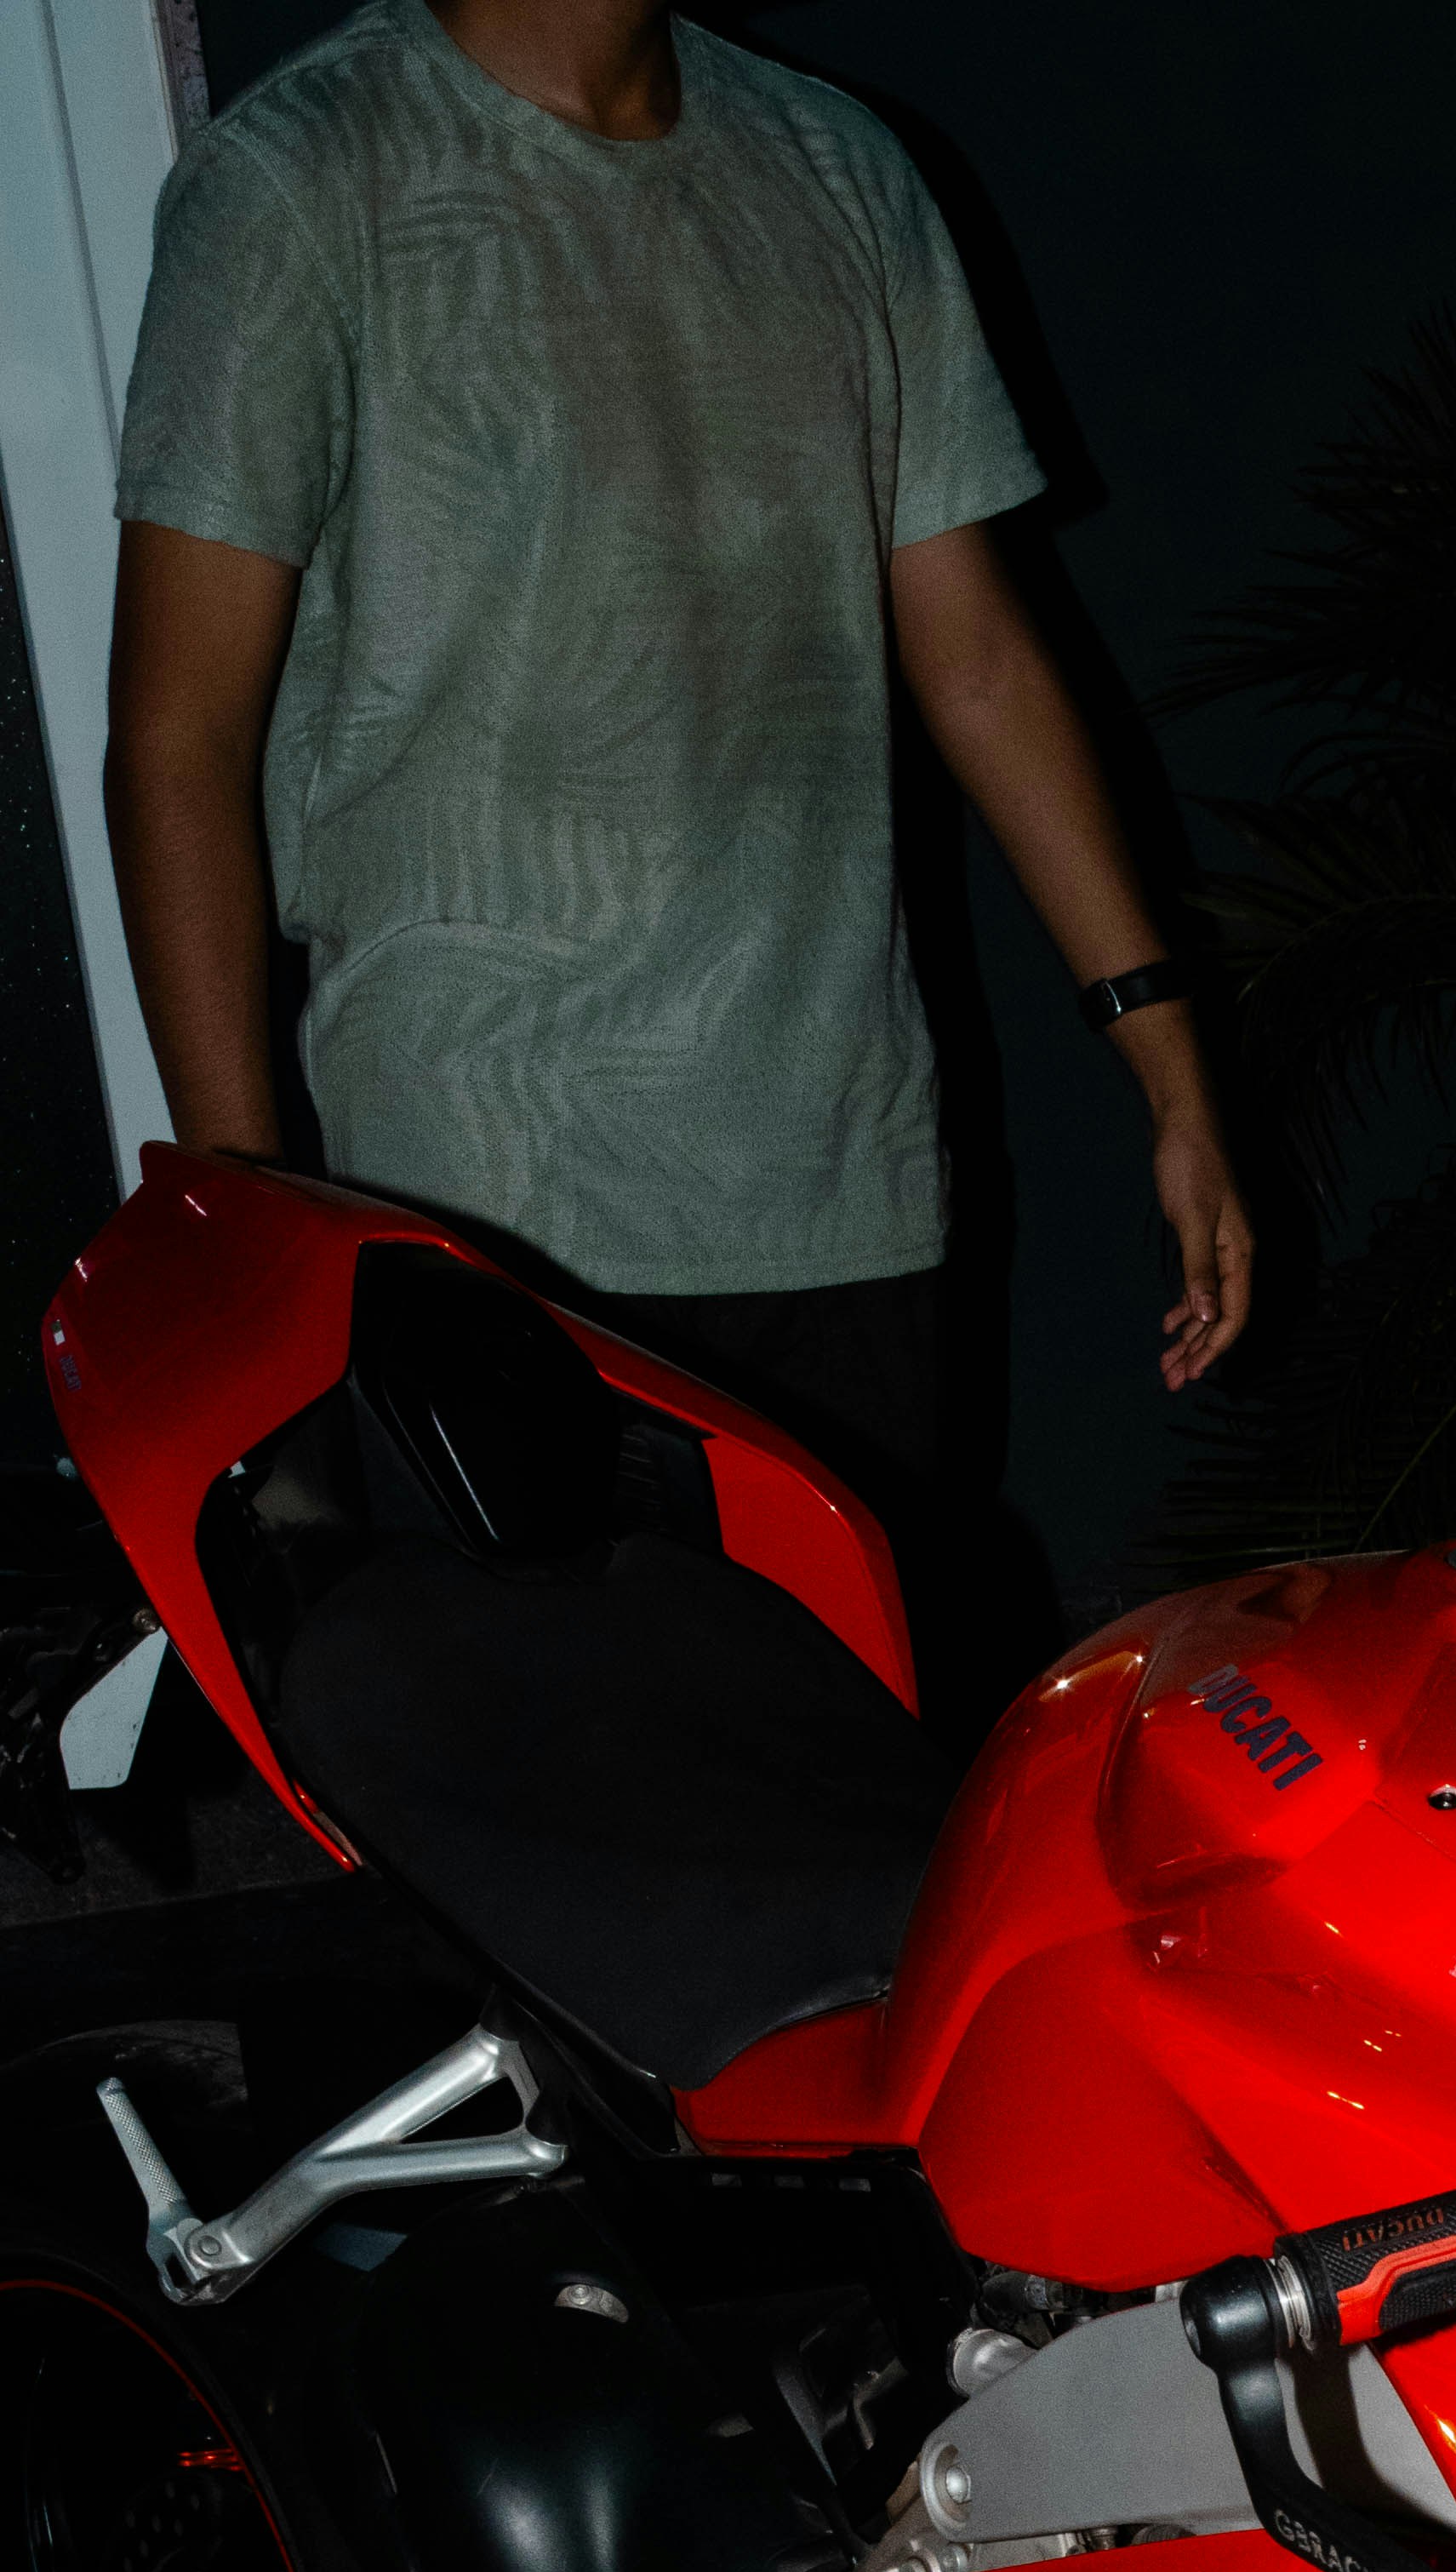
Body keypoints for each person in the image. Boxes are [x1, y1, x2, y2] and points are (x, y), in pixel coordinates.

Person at [99, 0, 1252, 1536]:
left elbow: (978, 657)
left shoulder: (843, 168)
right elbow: (178, 740)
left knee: (855, 1698)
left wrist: (1169, 1068)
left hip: (848, 1191)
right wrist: (253, 1235)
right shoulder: (298, 176)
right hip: (484, 1215)